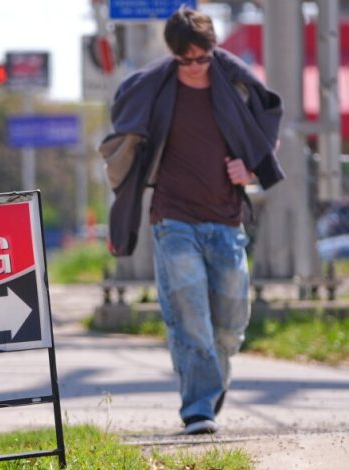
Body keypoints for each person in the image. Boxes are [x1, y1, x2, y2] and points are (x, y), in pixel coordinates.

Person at [102, 7, 285, 435]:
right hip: (173, 219)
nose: (195, 69)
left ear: (212, 51)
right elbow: (124, 113)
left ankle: (212, 379)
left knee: (231, 321)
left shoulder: (235, 84)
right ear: (174, 56)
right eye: (185, 61)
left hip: (226, 221)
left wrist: (252, 169)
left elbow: (267, 120)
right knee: (189, 316)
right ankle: (199, 407)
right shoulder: (156, 87)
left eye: (202, 58)